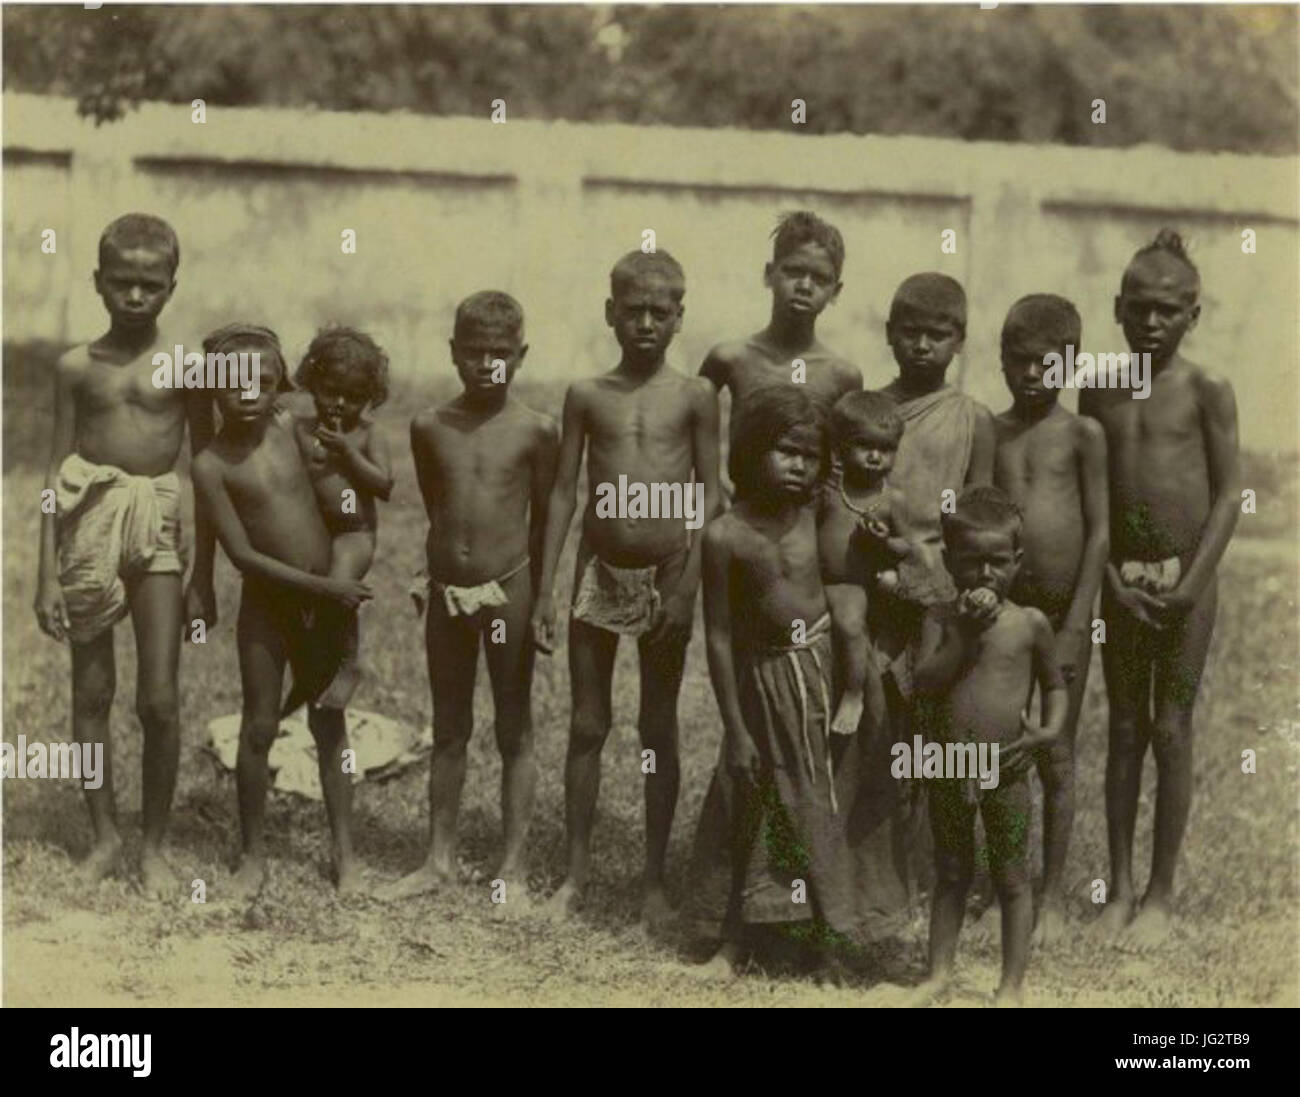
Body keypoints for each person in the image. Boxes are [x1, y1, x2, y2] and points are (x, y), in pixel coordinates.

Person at [532, 250, 720, 924]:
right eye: (632, 310)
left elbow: (709, 495)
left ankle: (653, 883)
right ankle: (574, 877)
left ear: (679, 317)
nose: (645, 323)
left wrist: (688, 586)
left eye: (659, 312)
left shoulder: (695, 396)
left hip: (667, 572)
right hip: (600, 569)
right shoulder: (587, 393)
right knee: (588, 722)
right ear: (610, 312)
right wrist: (548, 587)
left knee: (657, 726)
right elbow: (562, 492)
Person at [33, 213, 215, 897]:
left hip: (159, 523)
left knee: (160, 698)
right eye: (122, 283)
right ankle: (104, 834)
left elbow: (201, 466)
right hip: (87, 522)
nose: (136, 296)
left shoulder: (187, 364)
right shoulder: (75, 367)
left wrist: (204, 570)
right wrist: (44, 571)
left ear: (171, 286)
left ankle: (154, 846)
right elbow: (54, 470)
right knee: (92, 690)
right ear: (98, 284)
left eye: (150, 284)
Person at [1080, 230, 1240, 946]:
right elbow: (1094, 494)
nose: (1152, 322)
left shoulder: (1207, 389)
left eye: (1168, 311)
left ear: (1193, 315)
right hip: (1122, 581)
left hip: (1186, 583)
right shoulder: (1100, 385)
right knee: (1122, 727)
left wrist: (1191, 583)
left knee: (1171, 728)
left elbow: (1231, 493)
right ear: (1118, 308)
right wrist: (1110, 578)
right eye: (1139, 308)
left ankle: (1161, 896)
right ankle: (1116, 887)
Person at [379, 292, 558, 903]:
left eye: (501, 354)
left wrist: (544, 597)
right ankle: (439, 859)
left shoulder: (537, 430)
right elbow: (437, 504)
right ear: (454, 353)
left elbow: (544, 521)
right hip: (449, 593)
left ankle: (513, 867)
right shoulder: (429, 426)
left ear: (521, 356)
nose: (487, 364)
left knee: (514, 727)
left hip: (508, 589)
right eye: (475, 353)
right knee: (449, 724)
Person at [192, 325, 371, 896]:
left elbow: (347, 482)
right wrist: (320, 591)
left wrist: (348, 560)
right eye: (232, 385)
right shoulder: (210, 466)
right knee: (259, 727)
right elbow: (242, 555)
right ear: (211, 390)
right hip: (268, 606)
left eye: (263, 382)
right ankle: (252, 857)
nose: (248, 394)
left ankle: (346, 854)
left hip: (326, 602)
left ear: (280, 386)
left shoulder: (295, 430)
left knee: (330, 724)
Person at [685, 386, 854, 980]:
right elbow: (720, 636)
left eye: (810, 455)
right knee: (749, 801)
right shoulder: (725, 536)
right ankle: (731, 944)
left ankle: (827, 943)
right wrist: (735, 727)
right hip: (763, 683)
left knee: (813, 804)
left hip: (821, 676)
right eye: (786, 451)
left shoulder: (819, 512)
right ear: (753, 450)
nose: (799, 465)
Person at [860, 272, 996, 916]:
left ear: (959, 341)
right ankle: (878, 877)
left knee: (941, 734)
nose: (921, 345)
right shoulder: (867, 408)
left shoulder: (972, 418)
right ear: (888, 334)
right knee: (879, 729)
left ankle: (947, 876)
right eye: (908, 332)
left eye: (937, 335)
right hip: (878, 586)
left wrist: (964, 590)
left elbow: (983, 516)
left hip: (943, 594)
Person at [909, 486, 1066, 1006]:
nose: (984, 575)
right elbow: (925, 682)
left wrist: (1046, 733)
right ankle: (937, 976)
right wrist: (960, 636)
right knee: (951, 871)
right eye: (970, 562)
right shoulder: (938, 617)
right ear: (949, 560)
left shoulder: (1030, 623)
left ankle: (1012, 985)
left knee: (1013, 877)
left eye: (997, 563)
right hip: (951, 762)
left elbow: (1056, 686)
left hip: (1008, 763)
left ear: (1017, 563)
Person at [993, 294, 1109, 945]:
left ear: (1069, 363)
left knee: (1055, 753)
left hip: (1065, 615)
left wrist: (1076, 623)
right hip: (1006, 617)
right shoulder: (995, 430)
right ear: (1001, 361)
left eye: (1046, 362)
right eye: (1019, 361)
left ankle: (1055, 896)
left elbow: (1098, 534)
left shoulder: (1083, 434)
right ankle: (1004, 885)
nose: (1032, 373)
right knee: (1003, 746)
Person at [700, 210, 862, 488]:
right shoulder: (730, 358)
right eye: (794, 271)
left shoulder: (842, 376)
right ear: (769, 274)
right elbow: (691, 427)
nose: (804, 286)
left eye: (820, 279)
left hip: (808, 521)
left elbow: (845, 460)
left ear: (836, 291)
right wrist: (713, 488)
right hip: (742, 512)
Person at [282, 326, 393, 714]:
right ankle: (310, 678)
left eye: (354, 397)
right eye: (331, 391)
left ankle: (349, 667)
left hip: (353, 533)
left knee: (338, 593)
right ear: (311, 383)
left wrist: (348, 453)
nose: (340, 404)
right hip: (312, 534)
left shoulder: (366, 434)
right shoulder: (297, 429)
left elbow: (384, 485)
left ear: (370, 396)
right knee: (307, 612)